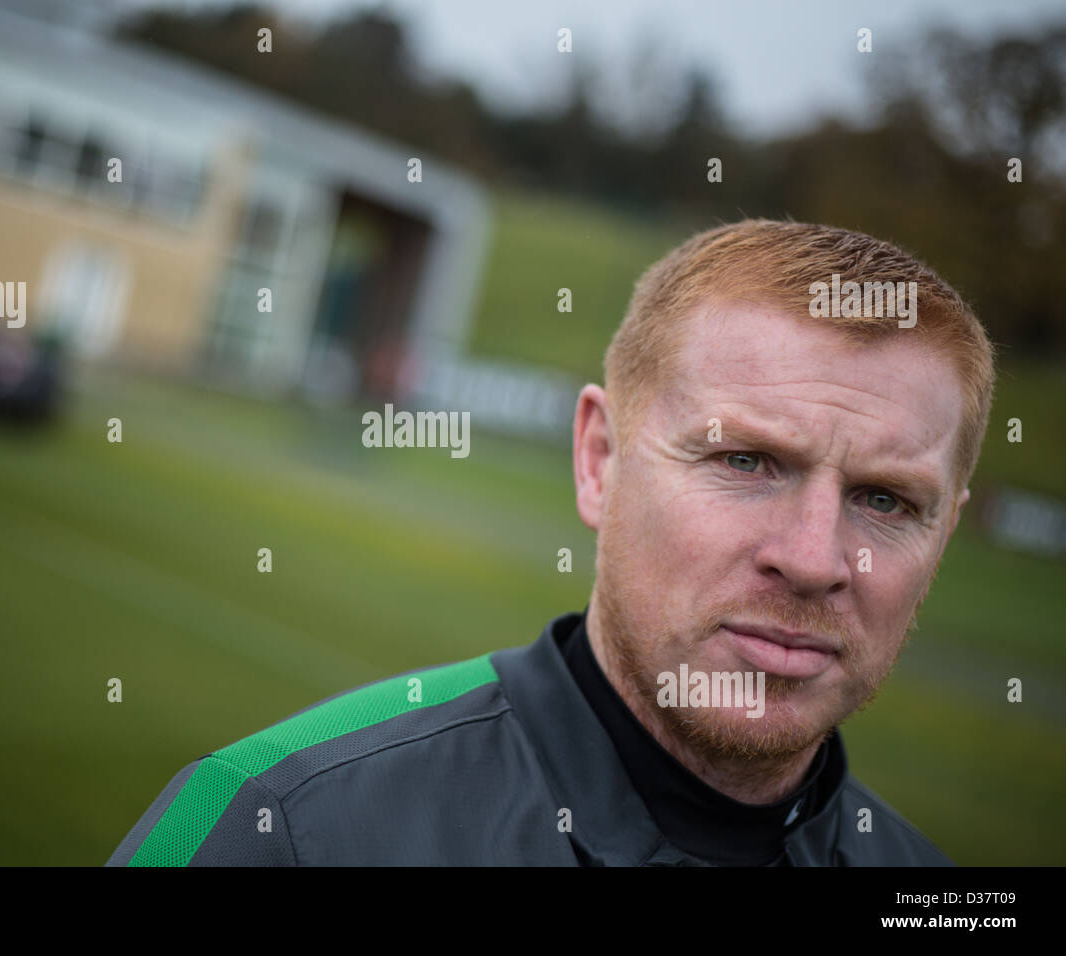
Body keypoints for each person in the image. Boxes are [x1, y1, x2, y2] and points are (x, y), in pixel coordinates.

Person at [107, 219, 993, 866]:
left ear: (944, 535)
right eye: (746, 461)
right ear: (599, 461)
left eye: (884, 500)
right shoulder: (277, 825)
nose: (811, 559)